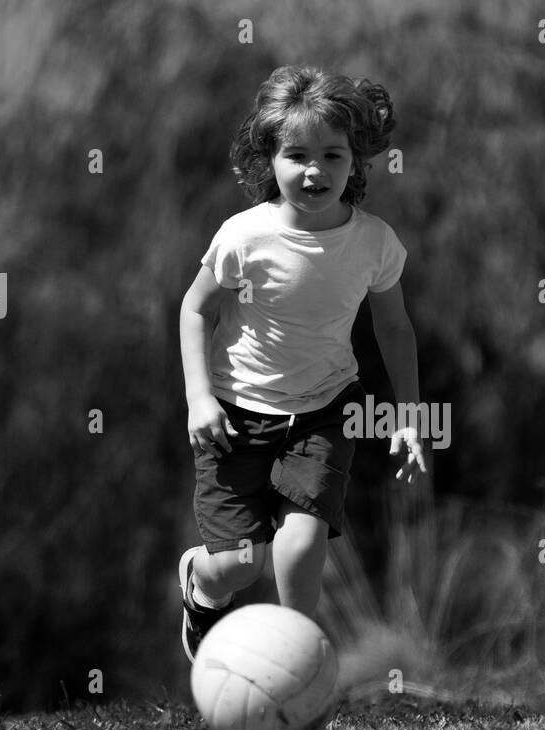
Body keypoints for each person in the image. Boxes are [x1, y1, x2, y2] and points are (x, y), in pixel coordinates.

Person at [177, 64, 427, 662]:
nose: (315, 171)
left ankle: (297, 657)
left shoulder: (374, 243)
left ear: (356, 161)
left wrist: (410, 416)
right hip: (235, 413)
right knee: (239, 565)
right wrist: (199, 397)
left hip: (324, 409)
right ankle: (198, 583)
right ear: (270, 159)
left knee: (303, 542)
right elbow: (194, 312)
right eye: (296, 154)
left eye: (332, 155)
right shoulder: (243, 237)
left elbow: (394, 328)